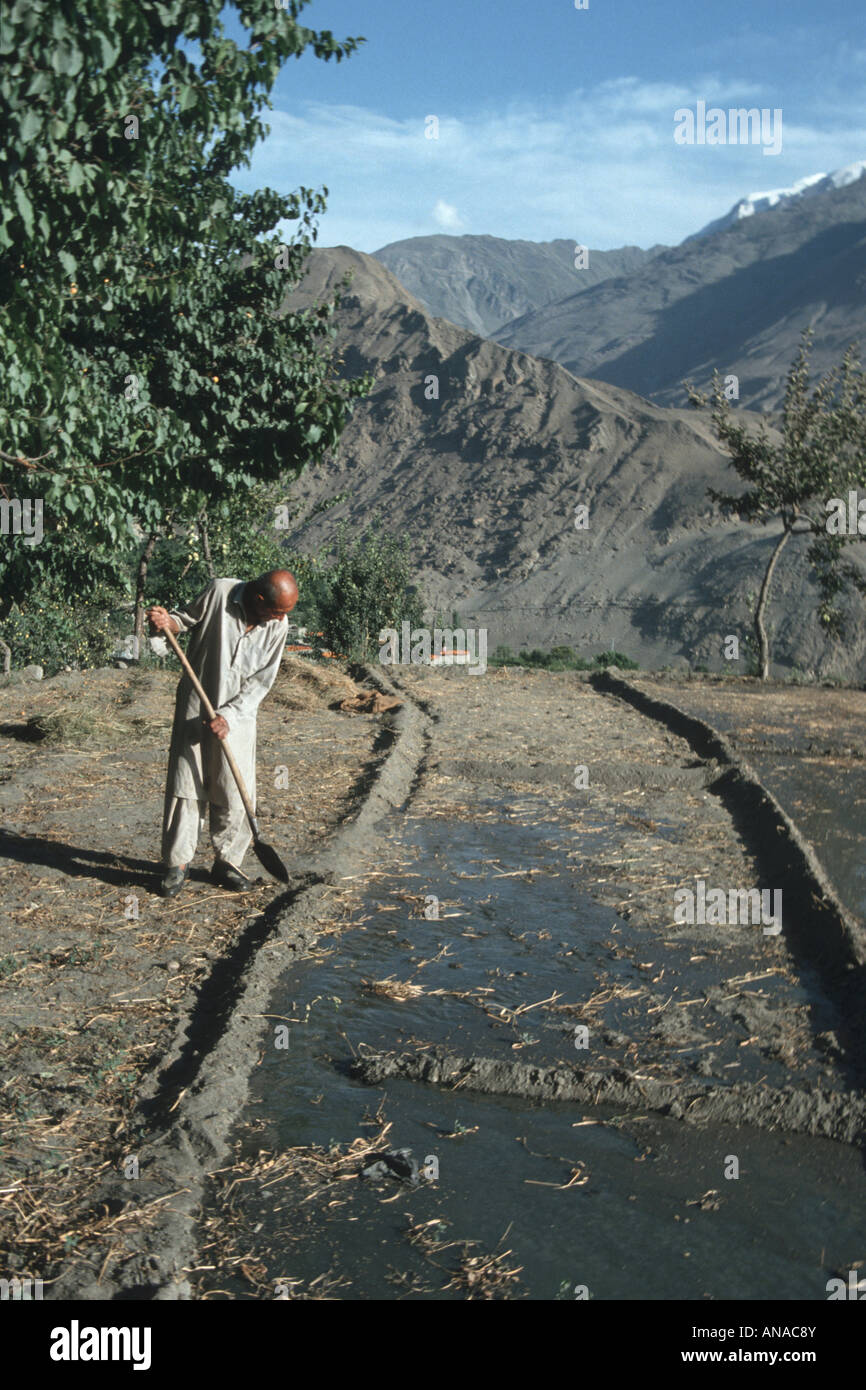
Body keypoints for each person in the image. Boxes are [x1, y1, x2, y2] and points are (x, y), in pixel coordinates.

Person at [147, 570, 298, 897]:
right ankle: (178, 863)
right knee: (187, 783)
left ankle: (228, 862)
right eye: (276, 611)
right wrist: (166, 623)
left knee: (234, 788)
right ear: (258, 599)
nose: (281, 618)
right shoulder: (219, 593)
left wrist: (229, 715)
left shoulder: (278, 625)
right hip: (196, 706)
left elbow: (262, 681)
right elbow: (183, 620)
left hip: (239, 716)